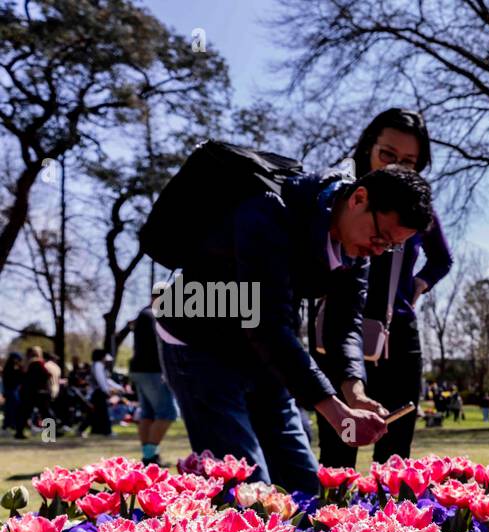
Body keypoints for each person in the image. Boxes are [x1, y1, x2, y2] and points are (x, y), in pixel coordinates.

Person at [154, 163, 433, 492]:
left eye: (390, 246)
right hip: (199, 336)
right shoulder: (269, 211)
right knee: (246, 488)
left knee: (305, 485)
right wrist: (334, 410)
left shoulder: (356, 250)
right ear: (359, 198)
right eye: (379, 237)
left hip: (265, 350)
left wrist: (354, 393)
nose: (378, 250)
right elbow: (266, 323)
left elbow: (345, 324)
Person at [315, 108, 454, 467]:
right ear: (368, 148)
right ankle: (335, 516)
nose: (396, 168)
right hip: (339, 326)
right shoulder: (341, 196)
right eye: (387, 155)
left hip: (397, 331)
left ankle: (391, 521)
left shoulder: (418, 212)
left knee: (395, 450)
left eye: (409, 162)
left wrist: (417, 287)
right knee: (338, 447)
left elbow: (442, 259)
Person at [124, 306, 177, 464]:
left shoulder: (143, 314)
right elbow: (162, 345)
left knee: (148, 414)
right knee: (167, 413)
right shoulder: (156, 315)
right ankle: (150, 456)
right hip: (153, 370)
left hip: (139, 369)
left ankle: (149, 455)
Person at [14, 347, 53, 439]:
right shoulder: (38, 363)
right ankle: (51, 433)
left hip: (28, 392)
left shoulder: (26, 364)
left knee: (25, 413)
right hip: (39, 392)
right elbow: (46, 374)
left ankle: (19, 432)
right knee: (45, 413)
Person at [88, 348, 122, 436]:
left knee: (97, 412)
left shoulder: (98, 365)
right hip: (98, 392)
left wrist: (118, 387)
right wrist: (106, 390)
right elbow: (101, 380)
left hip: (97, 392)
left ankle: (95, 431)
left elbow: (107, 380)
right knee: (103, 412)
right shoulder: (98, 365)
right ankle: (107, 431)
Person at [2, 353, 22, 434]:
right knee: (11, 409)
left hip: (12, 391)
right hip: (11, 391)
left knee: (12, 409)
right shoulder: (10, 368)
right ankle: (8, 425)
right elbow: (11, 380)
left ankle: (10, 425)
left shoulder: (10, 367)